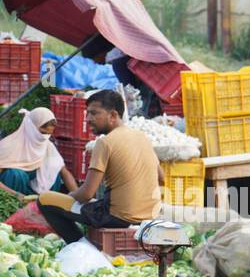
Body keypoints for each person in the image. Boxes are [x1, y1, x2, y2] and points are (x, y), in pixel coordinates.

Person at [37, 90, 161, 244]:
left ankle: (80, 245)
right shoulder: (141, 137)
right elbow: (161, 178)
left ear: (113, 115)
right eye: (87, 113)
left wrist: (70, 196)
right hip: (150, 215)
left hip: (117, 217)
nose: (88, 119)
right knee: (95, 202)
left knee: (44, 199)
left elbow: (86, 194)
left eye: (94, 113)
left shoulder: (105, 143)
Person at [0, 108, 78, 197]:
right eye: (42, 133)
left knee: (53, 172)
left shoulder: (46, 145)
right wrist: (16, 195)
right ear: (31, 128)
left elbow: (64, 172)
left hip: (31, 192)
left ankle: (46, 204)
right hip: (10, 192)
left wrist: (78, 197)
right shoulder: (9, 145)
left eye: (47, 134)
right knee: (16, 174)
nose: (44, 137)